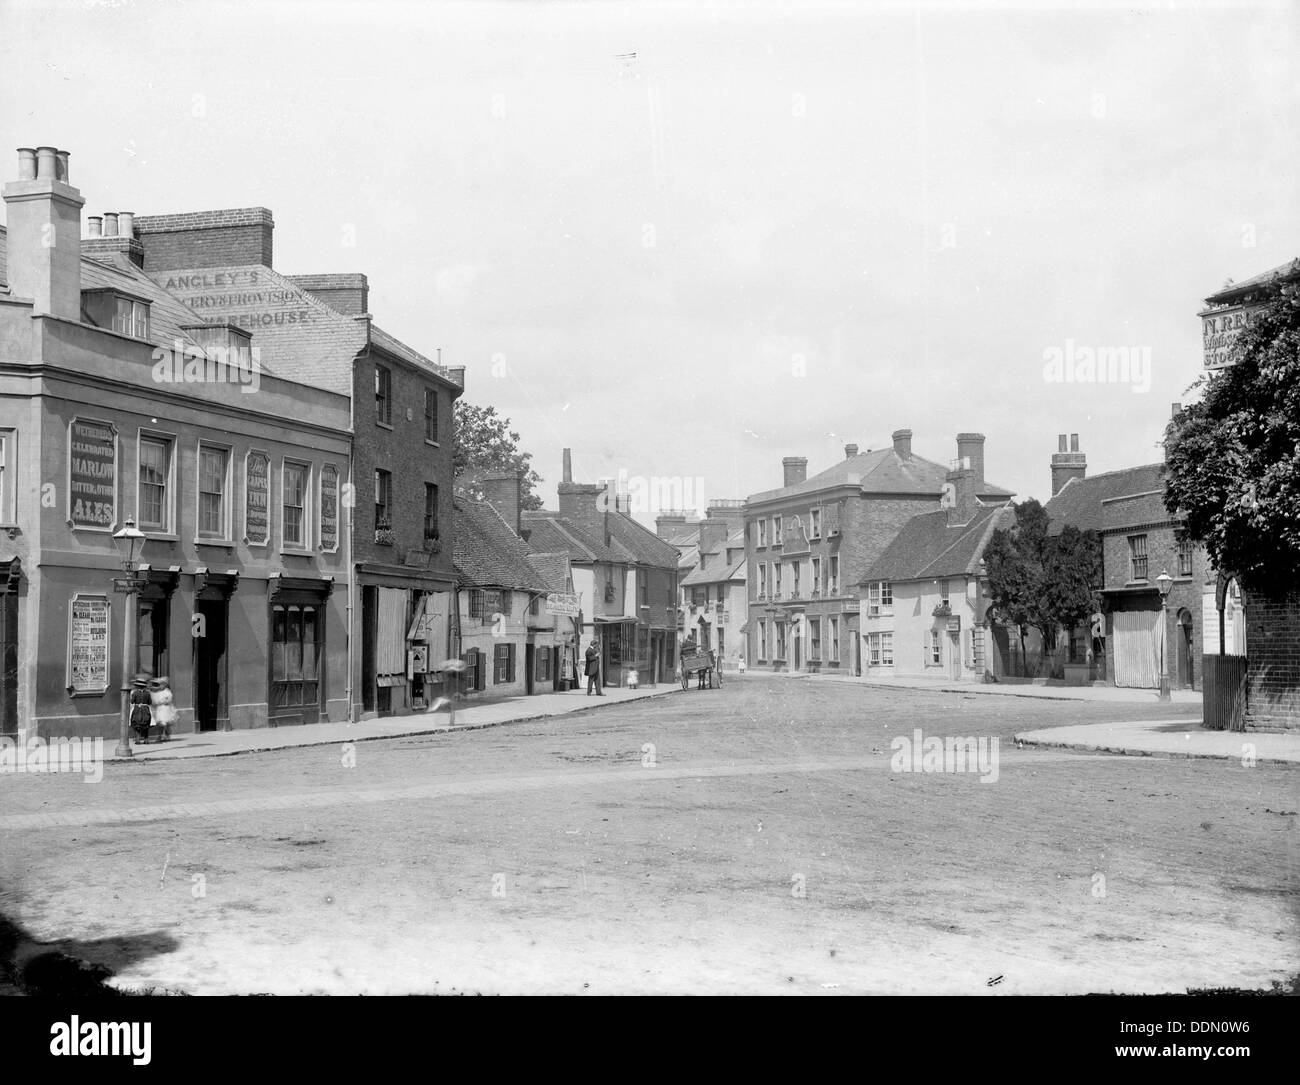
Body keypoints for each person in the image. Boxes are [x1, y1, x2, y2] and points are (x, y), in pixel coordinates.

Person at [149, 676, 178, 741]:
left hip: (166, 709)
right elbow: (155, 700)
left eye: (162, 685)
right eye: (160, 685)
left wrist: (163, 701)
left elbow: (168, 699)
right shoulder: (158, 692)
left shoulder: (167, 692)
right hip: (160, 709)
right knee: (160, 723)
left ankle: (166, 735)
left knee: (165, 723)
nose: (161, 686)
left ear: (165, 685)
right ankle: (160, 735)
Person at [129, 672, 154, 742]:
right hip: (145, 709)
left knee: (137, 723)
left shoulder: (135, 693)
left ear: (137, 686)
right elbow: (150, 702)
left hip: (137, 709)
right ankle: (146, 739)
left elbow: (132, 701)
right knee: (146, 723)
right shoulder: (147, 693)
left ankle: (138, 739)